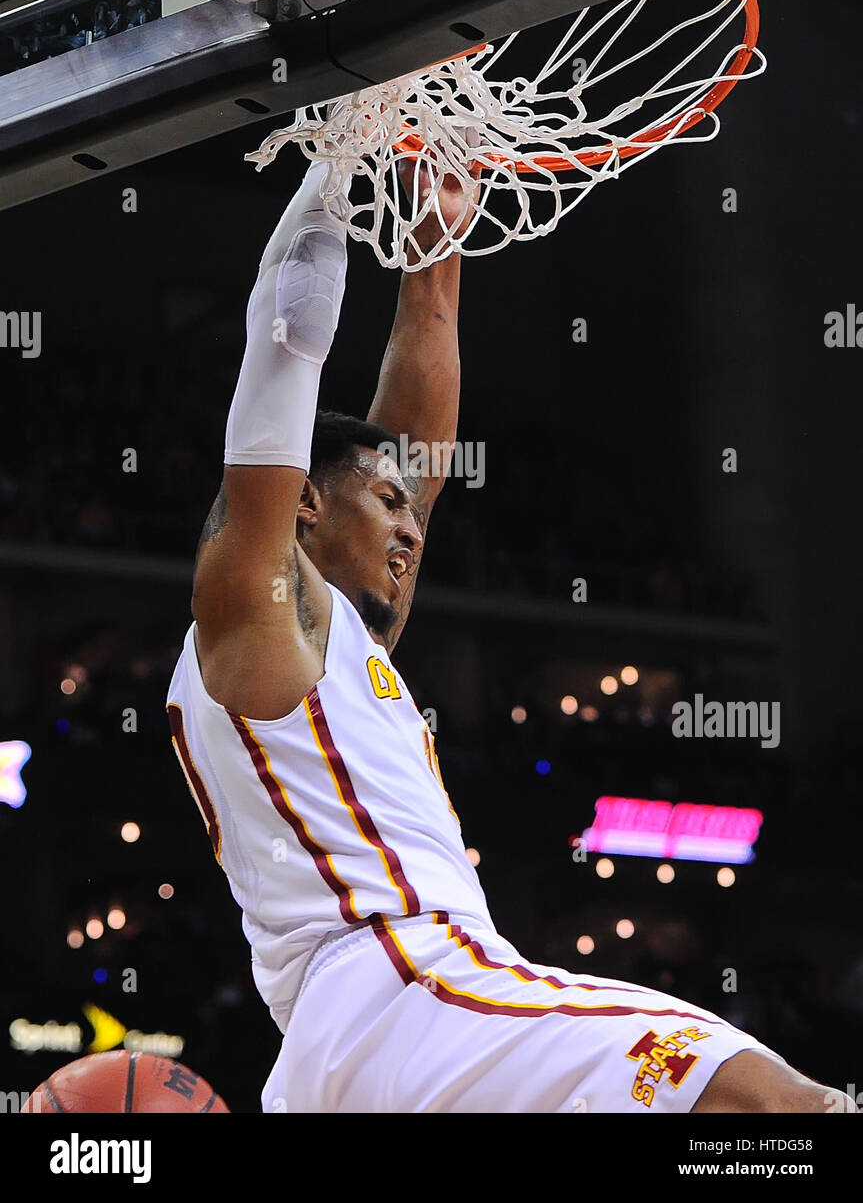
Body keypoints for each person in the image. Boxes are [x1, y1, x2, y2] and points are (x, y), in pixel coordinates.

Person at [167, 157, 850, 1112]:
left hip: (374, 1031)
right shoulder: (256, 607)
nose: (414, 525)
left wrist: (436, 245)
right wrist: (333, 156)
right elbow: (279, 355)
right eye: (387, 502)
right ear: (306, 503)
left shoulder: (335, 646)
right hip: (404, 985)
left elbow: (421, 433)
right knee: (775, 1104)